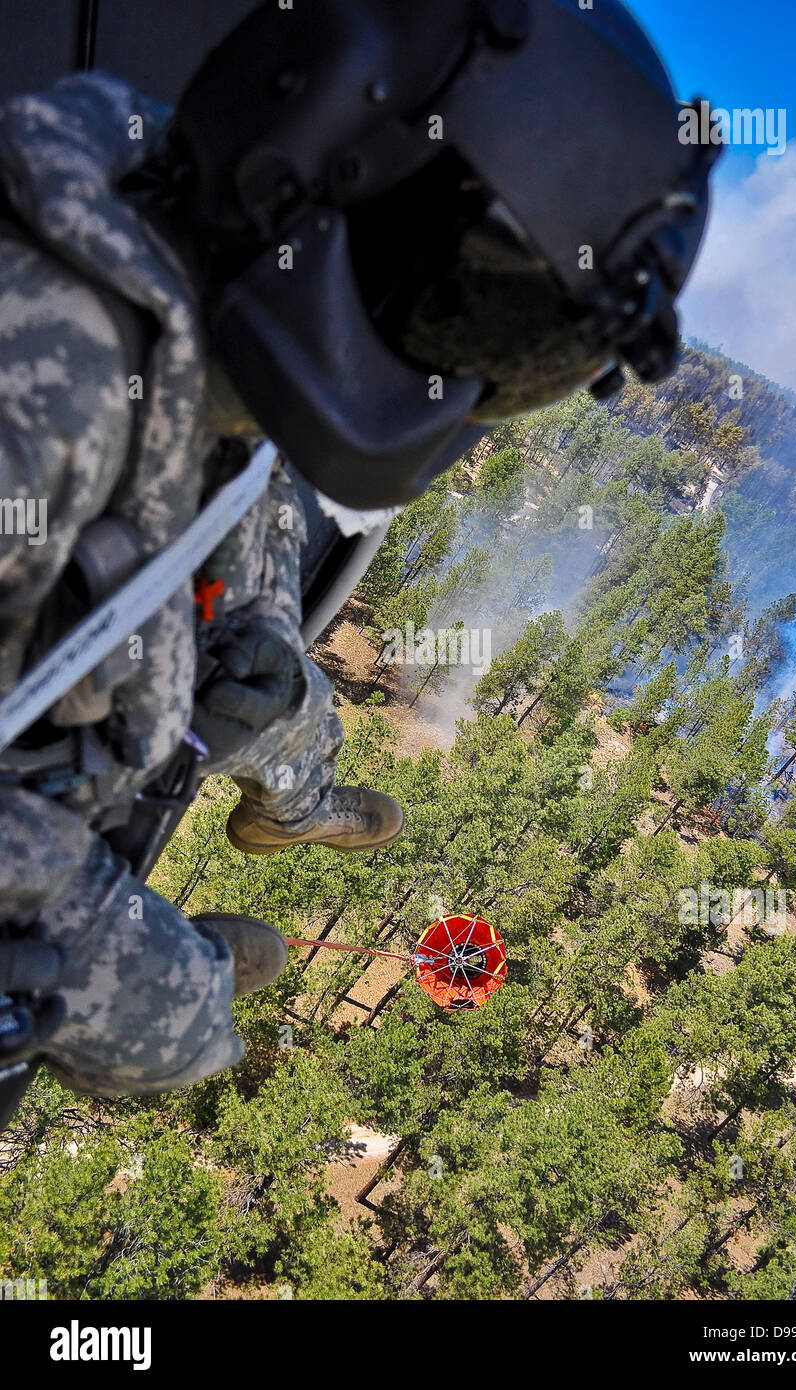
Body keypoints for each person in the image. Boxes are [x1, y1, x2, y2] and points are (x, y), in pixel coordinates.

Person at [0, 0, 717, 1104]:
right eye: (470, 328)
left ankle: (297, 793)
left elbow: (228, 512)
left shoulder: (173, 288)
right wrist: (139, 989)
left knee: (269, 662)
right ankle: (293, 793)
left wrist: (240, 670)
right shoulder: (47, 385)